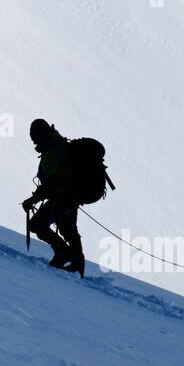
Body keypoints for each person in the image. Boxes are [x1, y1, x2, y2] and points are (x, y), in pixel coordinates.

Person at [21, 118, 106, 277]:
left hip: (64, 197)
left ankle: (64, 254)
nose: (33, 140)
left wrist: (31, 201)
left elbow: (49, 186)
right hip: (70, 196)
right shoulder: (59, 145)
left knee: (39, 224)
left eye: (34, 136)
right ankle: (77, 262)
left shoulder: (52, 152)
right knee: (68, 229)